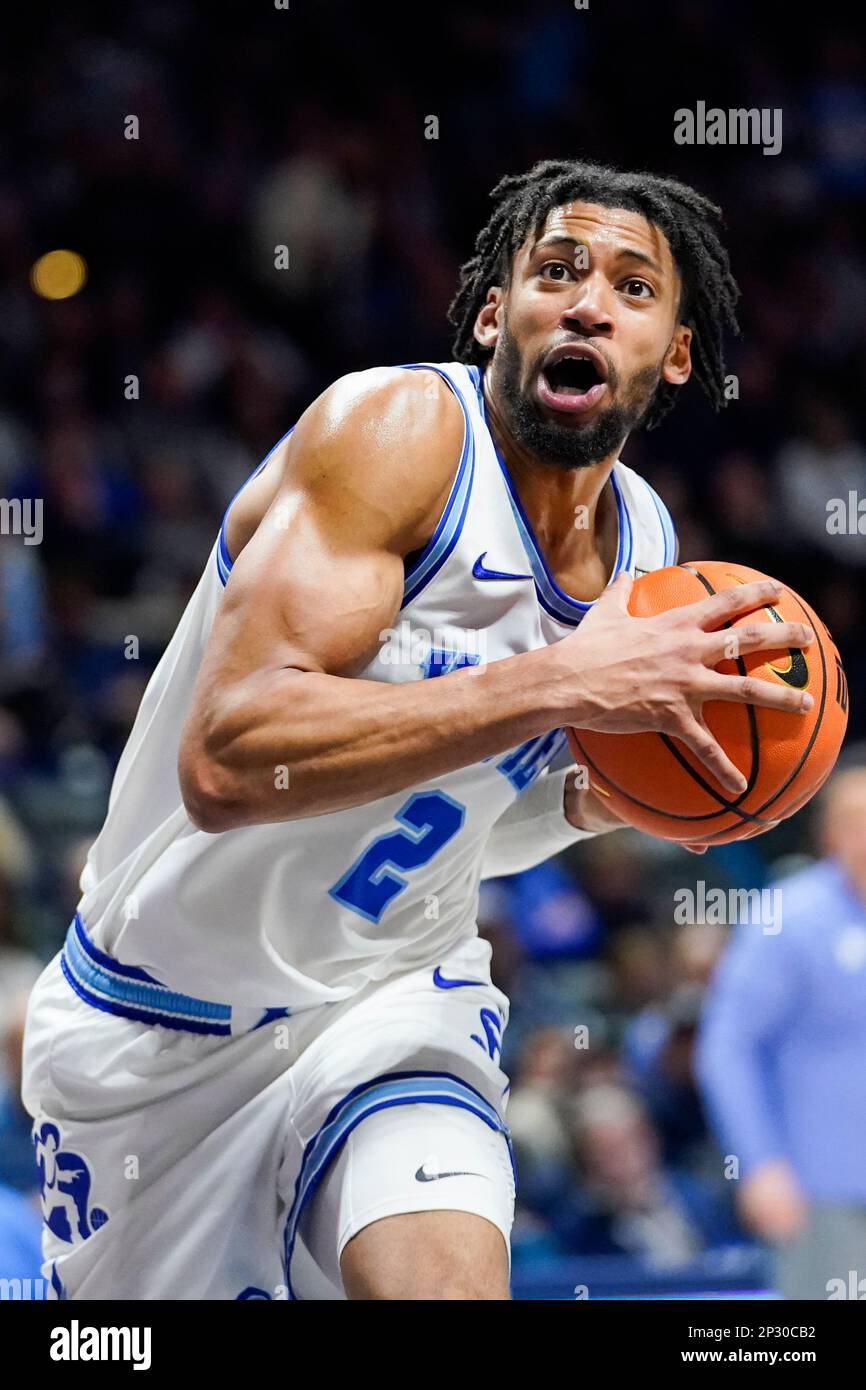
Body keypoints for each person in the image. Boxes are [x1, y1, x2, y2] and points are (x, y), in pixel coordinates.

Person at [22, 158, 814, 1301]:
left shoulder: (645, 548)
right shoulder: (393, 435)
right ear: (496, 311)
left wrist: (609, 795)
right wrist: (560, 683)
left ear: (674, 354)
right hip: (157, 1030)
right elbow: (228, 758)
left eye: (634, 288)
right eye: (555, 270)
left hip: (394, 998)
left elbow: (479, 815)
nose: (588, 300)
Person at [696, 764, 866, 1299]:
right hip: (823, 1187)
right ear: (830, 834)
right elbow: (727, 1047)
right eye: (858, 822)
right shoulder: (787, 919)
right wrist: (760, 1162)